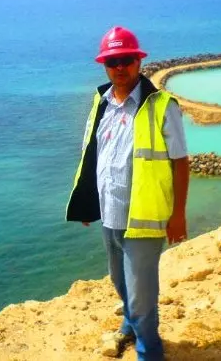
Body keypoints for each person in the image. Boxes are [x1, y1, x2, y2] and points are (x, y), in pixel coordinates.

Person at [66, 26, 190, 361]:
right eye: (112, 61)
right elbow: (94, 155)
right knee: (119, 281)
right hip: (110, 213)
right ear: (104, 65)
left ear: (139, 61)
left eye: (126, 60)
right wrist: (87, 203)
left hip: (144, 218)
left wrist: (178, 215)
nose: (120, 67)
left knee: (141, 294)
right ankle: (129, 325)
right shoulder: (101, 102)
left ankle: (149, 351)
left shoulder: (163, 106)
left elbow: (181, 163)